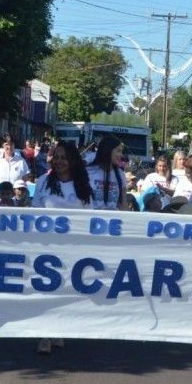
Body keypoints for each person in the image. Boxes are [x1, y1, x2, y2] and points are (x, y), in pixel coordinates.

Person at [32, 141, 93, 354]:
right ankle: (43, 335)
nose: (58, 161)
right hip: (47, 246)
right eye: (55, 157)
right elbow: (34, 213)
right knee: (46, 290)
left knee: (65, 291)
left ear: (72, 161)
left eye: (63, 157)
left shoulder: (83, 185)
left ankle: (57, 328)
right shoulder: (43, 182)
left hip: (72, 248)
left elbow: (90, 219)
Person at [87, 136, 128, 211]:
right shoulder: (89, 172)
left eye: (121, 152)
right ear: (108, 150)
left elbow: (123, 205)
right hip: (92, 220)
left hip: (113, 220)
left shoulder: (120, 174)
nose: (121, 155)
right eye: (118, 151)